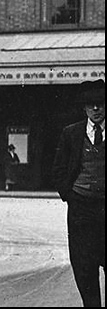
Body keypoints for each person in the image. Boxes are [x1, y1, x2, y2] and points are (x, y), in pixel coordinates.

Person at [52, 79, 105, 307]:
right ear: (84, 107)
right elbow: (59, 169)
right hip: (81, 210)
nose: (96, 109)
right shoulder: (71, 133)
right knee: (84, 267)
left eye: (100, 104)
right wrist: (70, 195)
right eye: (90, 104)